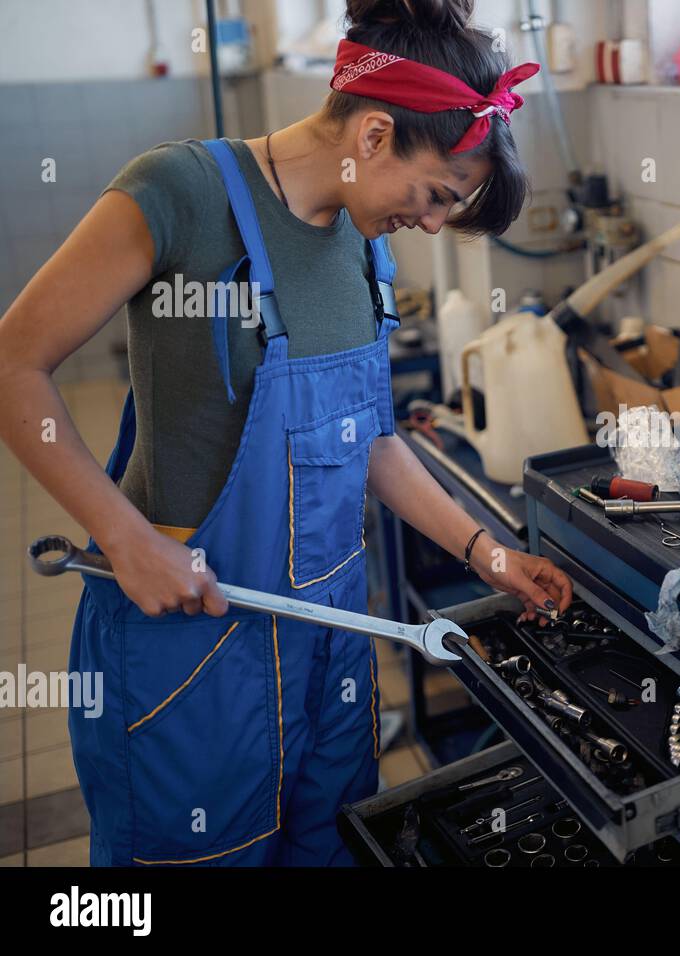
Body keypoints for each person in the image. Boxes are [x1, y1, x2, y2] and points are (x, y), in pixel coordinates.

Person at [0, 0, 572, 866]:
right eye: (433, 196)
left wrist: (486, 551)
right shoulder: (180, 192)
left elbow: (373, 440)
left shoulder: (363, 246)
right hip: (196, 640)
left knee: (333, 846)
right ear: (374, 135)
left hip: (331, 641)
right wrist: (124, 540)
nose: (429, 223)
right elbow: (14, 365)